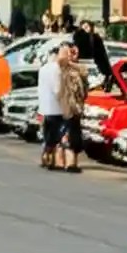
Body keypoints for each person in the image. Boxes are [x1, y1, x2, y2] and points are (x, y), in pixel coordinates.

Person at [56, 43, 88, 172]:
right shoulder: (61, 68)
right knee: (67, 135)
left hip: (74, 107)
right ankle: (66, 163)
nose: (73, 54)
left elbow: (84, 75)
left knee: (71, 135)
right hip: (66, 106)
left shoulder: (79, 69)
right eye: (70, 52)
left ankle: (68, 162)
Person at [36, 44, 63, 169]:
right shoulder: (56, 69)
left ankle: (45, 156)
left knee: (46, 132)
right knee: (54, 134)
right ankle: (50, 157)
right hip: (54, 107)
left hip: (43, 107)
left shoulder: (43, 68)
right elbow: (57, 88)